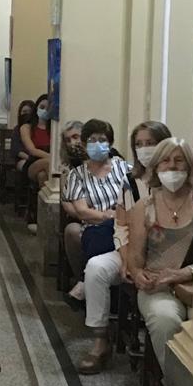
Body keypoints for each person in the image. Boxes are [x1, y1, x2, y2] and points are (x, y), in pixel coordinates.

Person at [76, 120, 172, 373]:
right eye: (139, 144)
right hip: (132, 251)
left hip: (166, 256)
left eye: (150, 143)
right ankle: (99, 340)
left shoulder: (175, 182)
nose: (144, 149)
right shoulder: (132, 181)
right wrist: (126, 258)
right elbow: (121, 225)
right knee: (96, 267)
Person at [127, 138, 193, 368]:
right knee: (165, 319)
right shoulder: (144, 207)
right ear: (156, 167)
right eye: (165, 161)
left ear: (189, 165)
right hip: (158, 288)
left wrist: (182, 274)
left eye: (179, 160)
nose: (173, 167)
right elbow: (135, 259)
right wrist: (137, 275)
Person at [62, 119, 131, 302]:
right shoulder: (77, 175)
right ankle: (92, 285)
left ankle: (86, 283)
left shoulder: (123, 168)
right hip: (94, 226)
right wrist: (108, 215)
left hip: (125, 226)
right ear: (84, 144)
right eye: (92, 140)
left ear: (110, 143)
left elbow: (135, 198)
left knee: (113, 231)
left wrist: (119, 216)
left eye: (102, 140)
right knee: (99, 231)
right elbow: (83, 211)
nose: (97, 144)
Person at [16, 95, 52, 184]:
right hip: (33, 161)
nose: (44, 111)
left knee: (42, 176)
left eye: (48, 108)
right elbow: (32, 150)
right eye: (42, 107)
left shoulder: (54, 129)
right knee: (48, 163)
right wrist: (51, 158)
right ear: (36, 108)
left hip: (50, 163)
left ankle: (47, 197)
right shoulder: (26, 127)